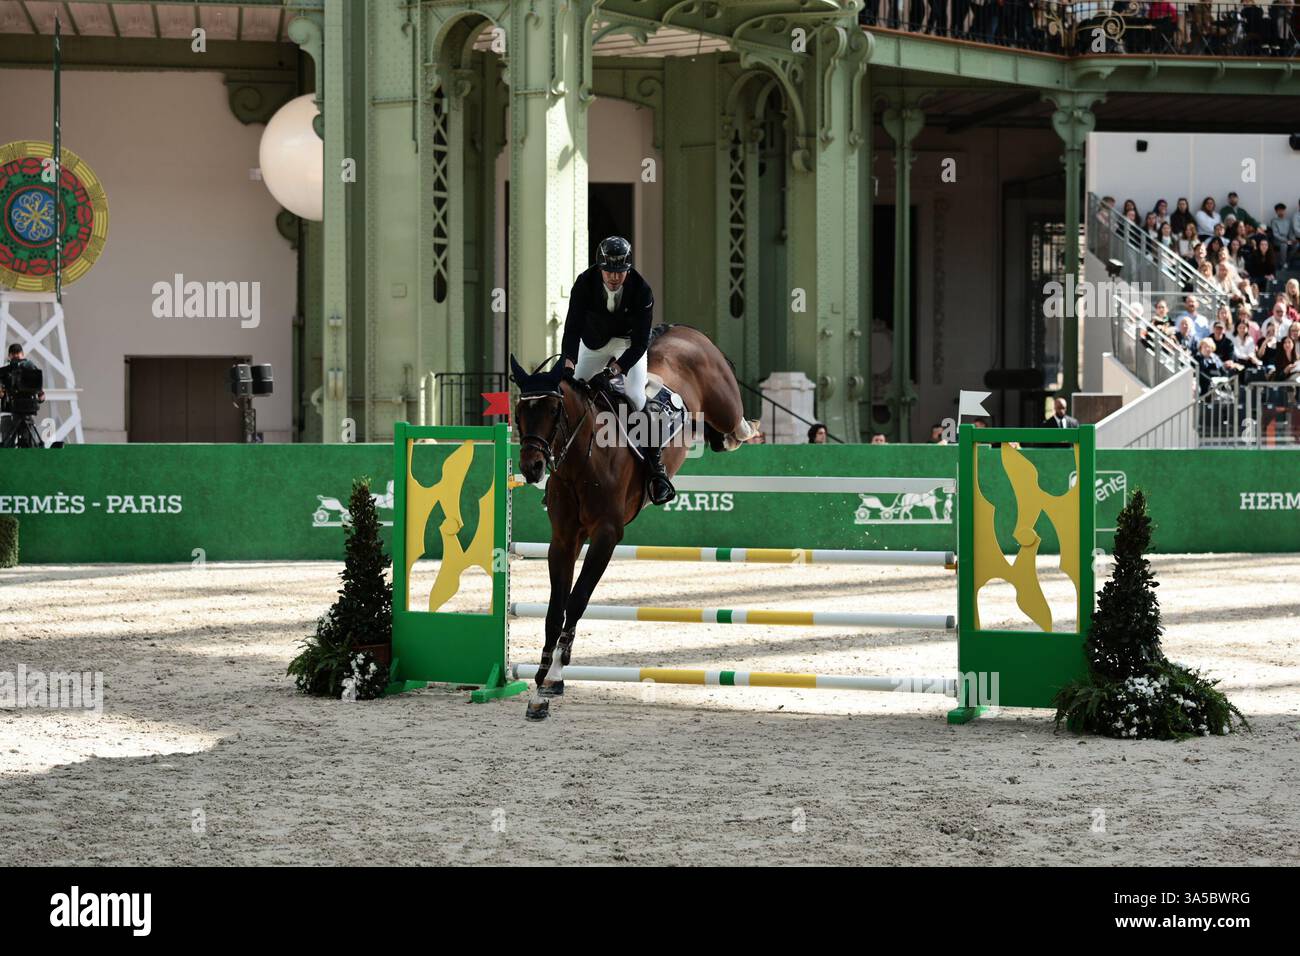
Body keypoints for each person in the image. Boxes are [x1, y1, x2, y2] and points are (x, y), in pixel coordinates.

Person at [560, 235, 673, 505]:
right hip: (593, 345)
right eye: (609, 271)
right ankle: (560, 471)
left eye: (619, 272)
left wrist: (617, 369)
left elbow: (641, 340)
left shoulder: (642, 290)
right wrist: (568, 361)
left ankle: (656, 469)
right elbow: (572, 327)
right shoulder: (584, 283)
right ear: (600, 268)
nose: (613, 277)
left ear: (628, 269)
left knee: (635, 395)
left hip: (627, 345)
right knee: (570, 396)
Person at [0, 343, 45, 448]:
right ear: (10, 356)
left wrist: (40, 394)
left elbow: (37, 387)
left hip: (25, 407)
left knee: (28, 441)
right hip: (12, 409)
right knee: (9, 435)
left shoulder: (30, 368)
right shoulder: (6, 372)